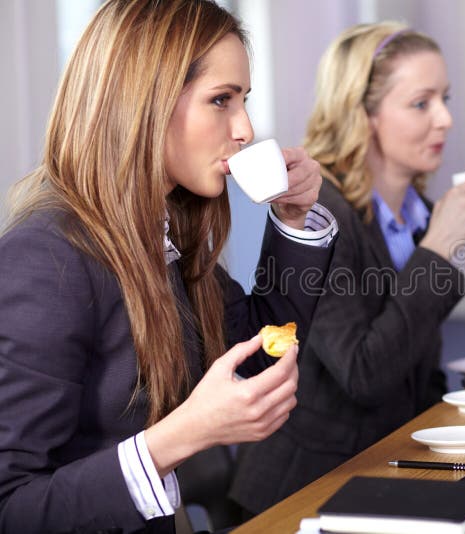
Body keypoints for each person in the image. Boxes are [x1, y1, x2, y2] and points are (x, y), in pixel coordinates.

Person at [0, 1, 337, 532]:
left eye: (243, 100)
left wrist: (294, 222)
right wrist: (184, 434)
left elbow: (254, 352)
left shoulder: (161, 236)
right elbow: (11, 507)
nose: (245, 128)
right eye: (221, 100)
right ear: (143, 104)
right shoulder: (44, 258)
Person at [230, 21, 465, 516]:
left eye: (445, 98)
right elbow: (363, 373)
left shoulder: (415, 210)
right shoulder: (323, 212)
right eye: (421, 103)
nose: (444, 119)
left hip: (385, 467)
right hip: (306, 492)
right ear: (362, 113)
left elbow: (416, 365)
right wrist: (438, 252)